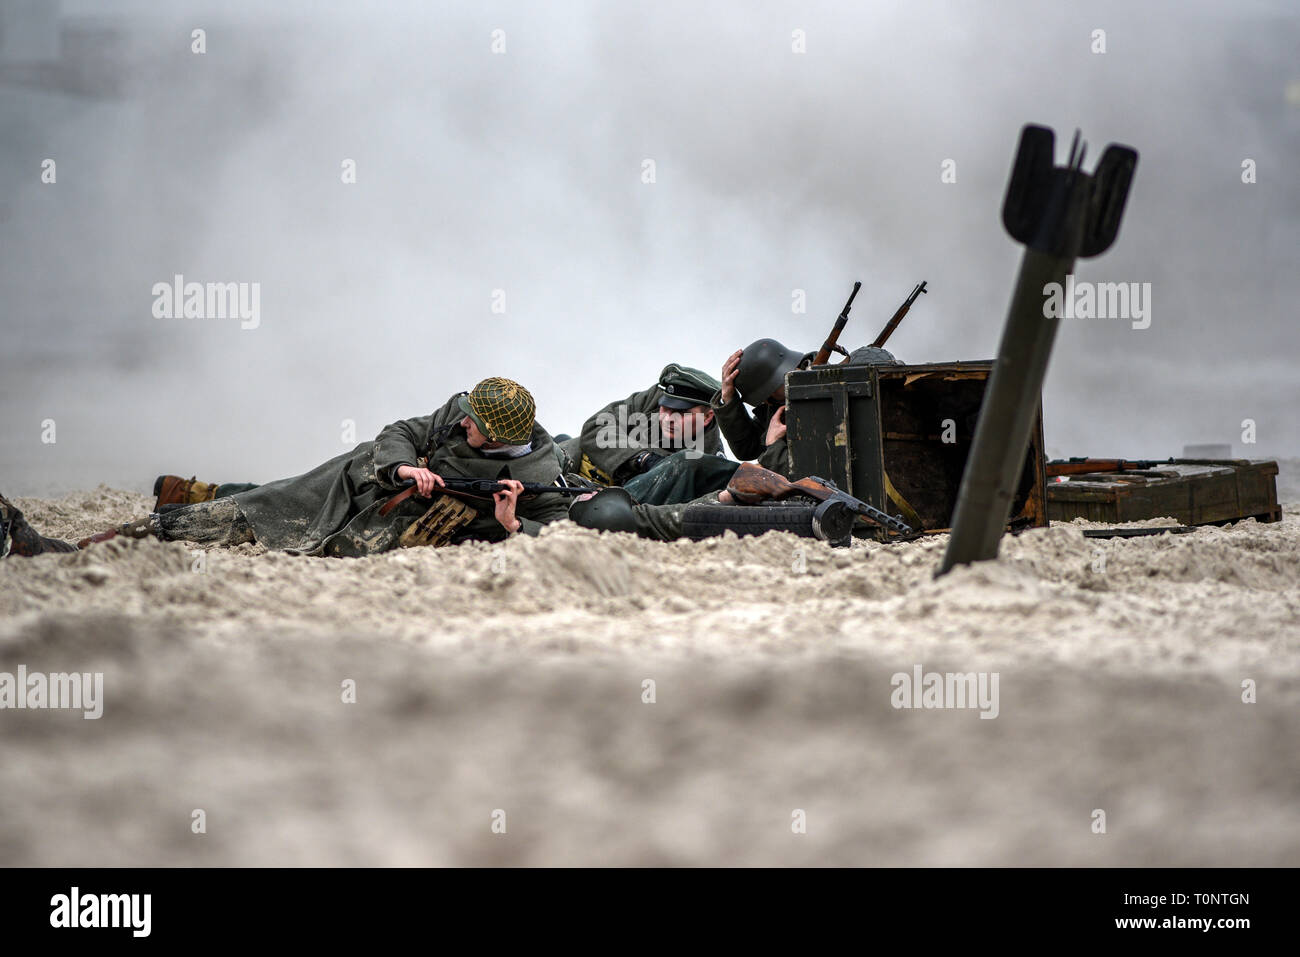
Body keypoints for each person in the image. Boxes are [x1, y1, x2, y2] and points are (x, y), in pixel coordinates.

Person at [2, 378, 570, 559]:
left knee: (257, 517)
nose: (463, 422)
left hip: (381, 533)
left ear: (499, 437)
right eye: (466, 414)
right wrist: (403, 470)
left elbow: (559, 531)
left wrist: (513, 523)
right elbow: (400, 432)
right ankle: (59, 549)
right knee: (248, 511)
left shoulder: (539, 474)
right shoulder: (459, 414)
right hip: (350, 485)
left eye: (474, 424)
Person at [558, 363, 737, 505]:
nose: (668, 418)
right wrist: (642, 458)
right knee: (558, 441)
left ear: (707, 417)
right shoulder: (651, 400)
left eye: (681, 413)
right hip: (567, 468)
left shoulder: (706, 459)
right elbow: (595, 427)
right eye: (665, 408)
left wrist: (662, 467)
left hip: (605, 503)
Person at [710, 339, 807, 478]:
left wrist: (774, 445)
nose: (765, 401)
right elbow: (747, 448)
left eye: (766, 395)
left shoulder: (826, 401)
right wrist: (729, 399)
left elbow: (809, 476)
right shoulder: (779, 401)